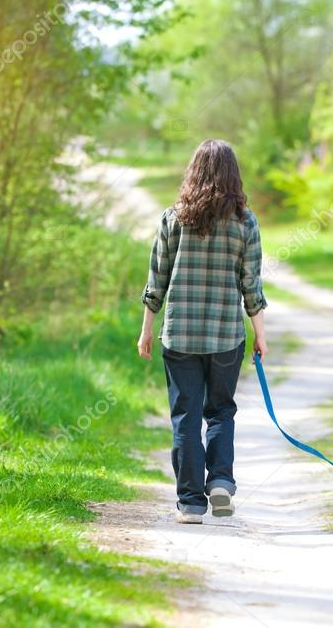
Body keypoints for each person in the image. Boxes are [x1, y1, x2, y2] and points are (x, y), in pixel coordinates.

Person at [137, 138, 268, 524]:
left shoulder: (172, 218)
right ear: (233, 175)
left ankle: (191, 502)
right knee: (221, 411)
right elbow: (251, 286)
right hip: (227, 336)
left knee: (185, 416)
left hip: (179, 335)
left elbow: (155, 281)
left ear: (193, 172)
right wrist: (260, 334)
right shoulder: (245, 223)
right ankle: (222, 481)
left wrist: (147, 330)